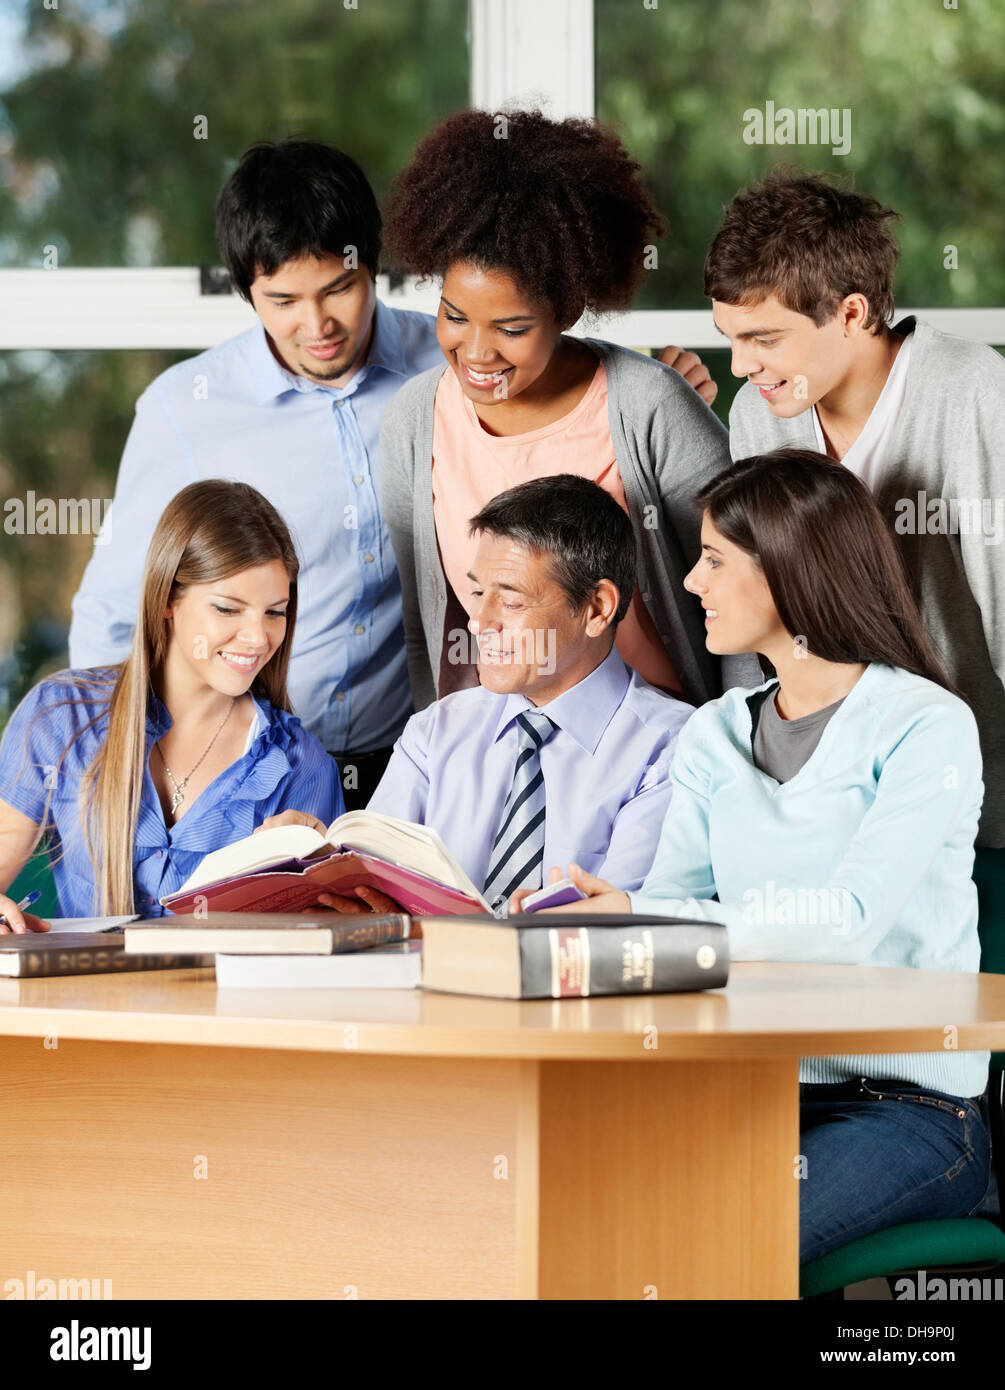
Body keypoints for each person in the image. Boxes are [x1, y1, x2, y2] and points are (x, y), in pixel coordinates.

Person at [67, 137, 713, 810]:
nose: (315, 324)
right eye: (282, 300)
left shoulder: (446, 371)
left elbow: (558, 401)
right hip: (254, 767)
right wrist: (122, 784)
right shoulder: (185, 408)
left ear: (372, 265)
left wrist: (663, 392)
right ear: (246, 291)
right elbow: (114, 616)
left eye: (338, 289)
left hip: (417, 762)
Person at [525, 449, 991, 1264]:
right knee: (565, 1224)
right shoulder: (712, 732)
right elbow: (671, 914)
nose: (691, 583)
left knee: (706, 1247)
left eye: (712, 560)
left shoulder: (925, 726)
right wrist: (612, 924)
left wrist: (649, 916)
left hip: (904, 1110)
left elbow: (845, 921)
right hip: (741, 1085)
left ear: (788, 568)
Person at [378, 108, 754, 717]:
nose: (476, 353)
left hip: (657, 747)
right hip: (502, 759)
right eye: (454, 316)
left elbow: (744, 586)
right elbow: (427, 622)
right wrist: (440, 751)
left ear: (568, 310)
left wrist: (738, 761)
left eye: (511, 327)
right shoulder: (414, 421)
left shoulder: (648, 406)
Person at [704, 170, 1005, 928]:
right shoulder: (758, 414)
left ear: (850, 312)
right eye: (730, 340)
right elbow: (754, 615)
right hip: (819, 813)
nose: (741, 366)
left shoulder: (972, 393)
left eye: (762, 339)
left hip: (974, 808)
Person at [0, 481, 342, 928]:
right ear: (166, 601)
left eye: (274, 612)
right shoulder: (62, 714)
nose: (259, 638)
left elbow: (317, 939)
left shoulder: (301, 765)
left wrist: (316, 873)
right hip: (76, 997)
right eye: (227, 609)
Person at [363, 477, 693, 908]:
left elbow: (617, 926)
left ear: (597, 608)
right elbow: (373, 885)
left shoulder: (671, 748)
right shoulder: (434, 732)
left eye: (512, 601)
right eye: (478, 593)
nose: (479, 623)